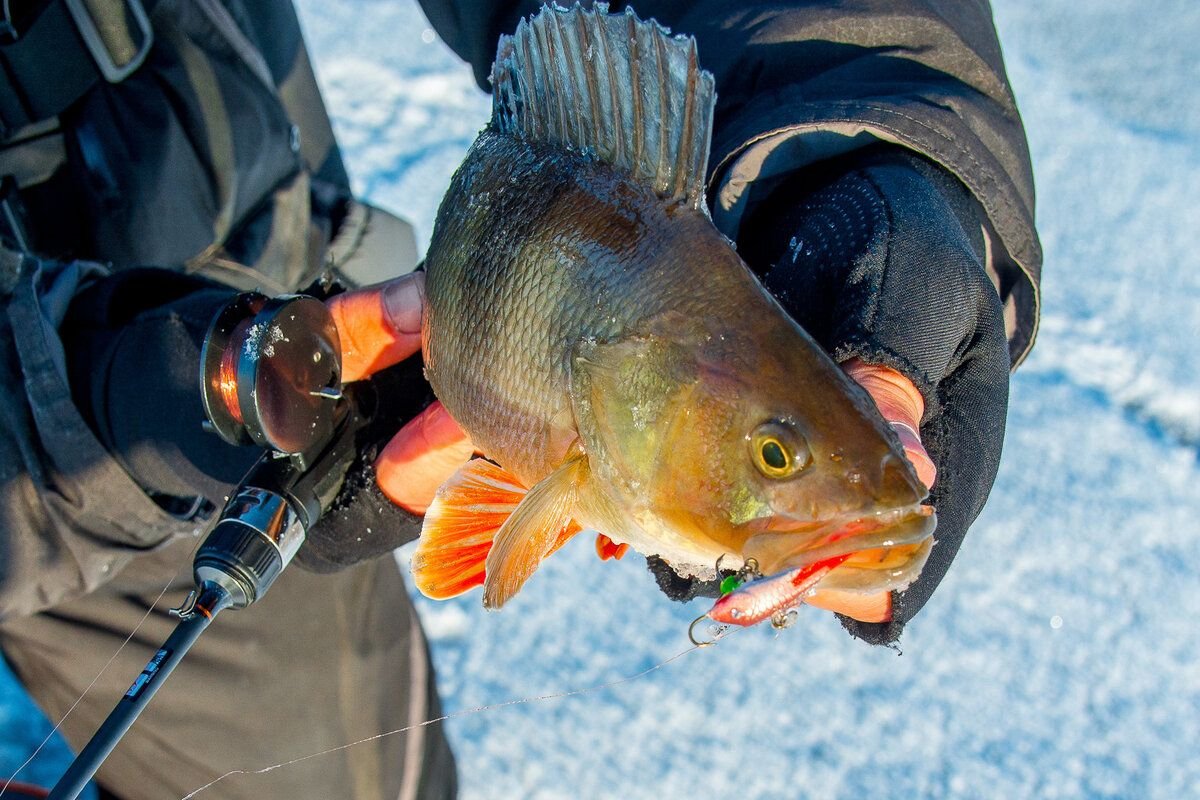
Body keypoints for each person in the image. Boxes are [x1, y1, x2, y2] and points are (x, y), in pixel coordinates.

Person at [0, 0, 1039, 797]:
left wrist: (863, 146)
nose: (786, 465)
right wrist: (127, 394)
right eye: (775, 452)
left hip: (212, 167)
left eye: (778, 454)